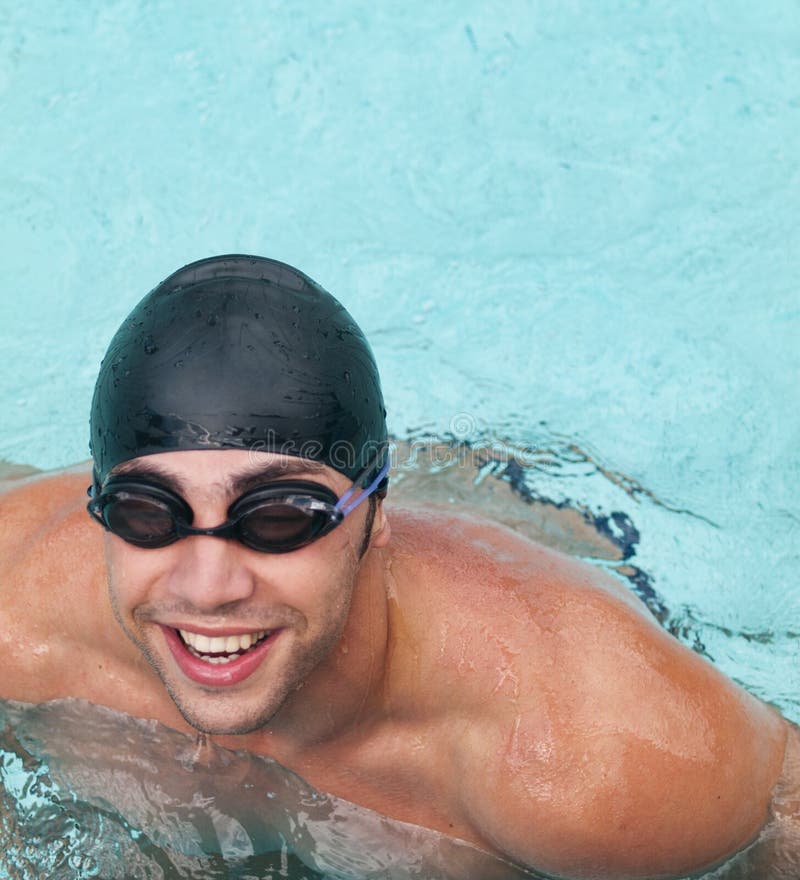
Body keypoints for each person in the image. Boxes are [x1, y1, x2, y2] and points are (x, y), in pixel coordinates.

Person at [0, 254, 797, 879]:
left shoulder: (588, 761)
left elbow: (785, 807)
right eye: (149, 512)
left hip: (559, 546)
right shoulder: (18, 611)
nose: (207, 586)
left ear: (377, 513)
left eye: (280, 518)